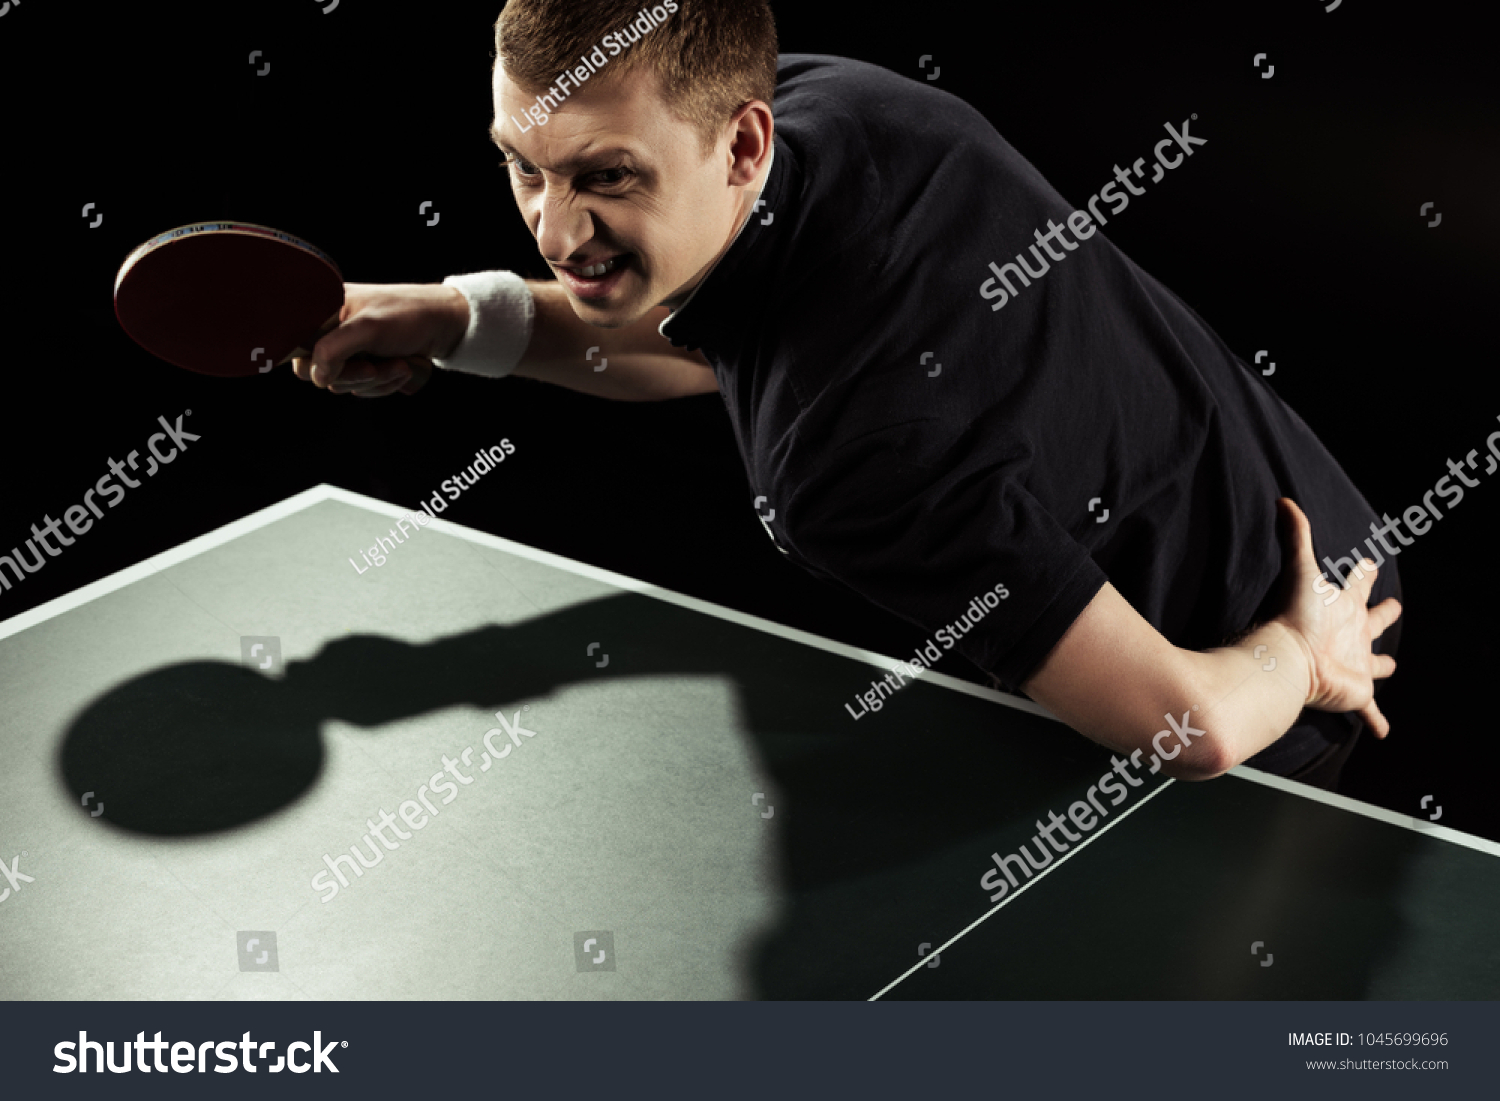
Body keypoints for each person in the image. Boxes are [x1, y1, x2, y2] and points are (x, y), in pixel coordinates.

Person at [292, 0, 1402, 791]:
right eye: (523, 166)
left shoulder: (837, 462)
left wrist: (1301, 657)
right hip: (1303, 497)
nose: (551, 226)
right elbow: (716, 342)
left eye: (604, 176)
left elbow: (1193, 729)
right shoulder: (856, 109)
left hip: (1267, 671)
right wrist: (453, 316)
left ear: (741, 142)